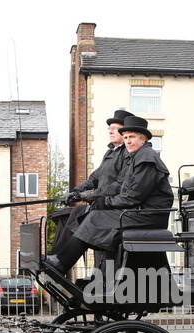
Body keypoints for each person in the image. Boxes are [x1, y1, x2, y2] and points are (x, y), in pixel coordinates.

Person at [43, 114, 173, 276]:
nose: (128, 141)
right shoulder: (137, 157)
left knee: (96, 217)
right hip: (139, 211)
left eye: (132, 137)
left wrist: (106, 202)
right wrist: (84, 195)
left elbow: (133, 196)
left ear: (143, 139)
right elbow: (118, 188)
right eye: (125, 137)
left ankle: (62, 264)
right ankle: (73, 265)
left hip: (148, 215)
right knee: (91, 215)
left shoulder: (146, 158)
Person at [50, 108, 130, 255]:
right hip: (99, 202)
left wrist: (85, 196)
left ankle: (62, 260)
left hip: (110, 206)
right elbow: (94, 178)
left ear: (124, 132)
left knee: (77, 214)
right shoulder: (110, 152)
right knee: (64, 215)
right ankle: (55, 256)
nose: (110, 131)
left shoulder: (127, 154)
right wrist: (75, 191)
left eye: (114, 128)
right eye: (109, 128)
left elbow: (117, 186)